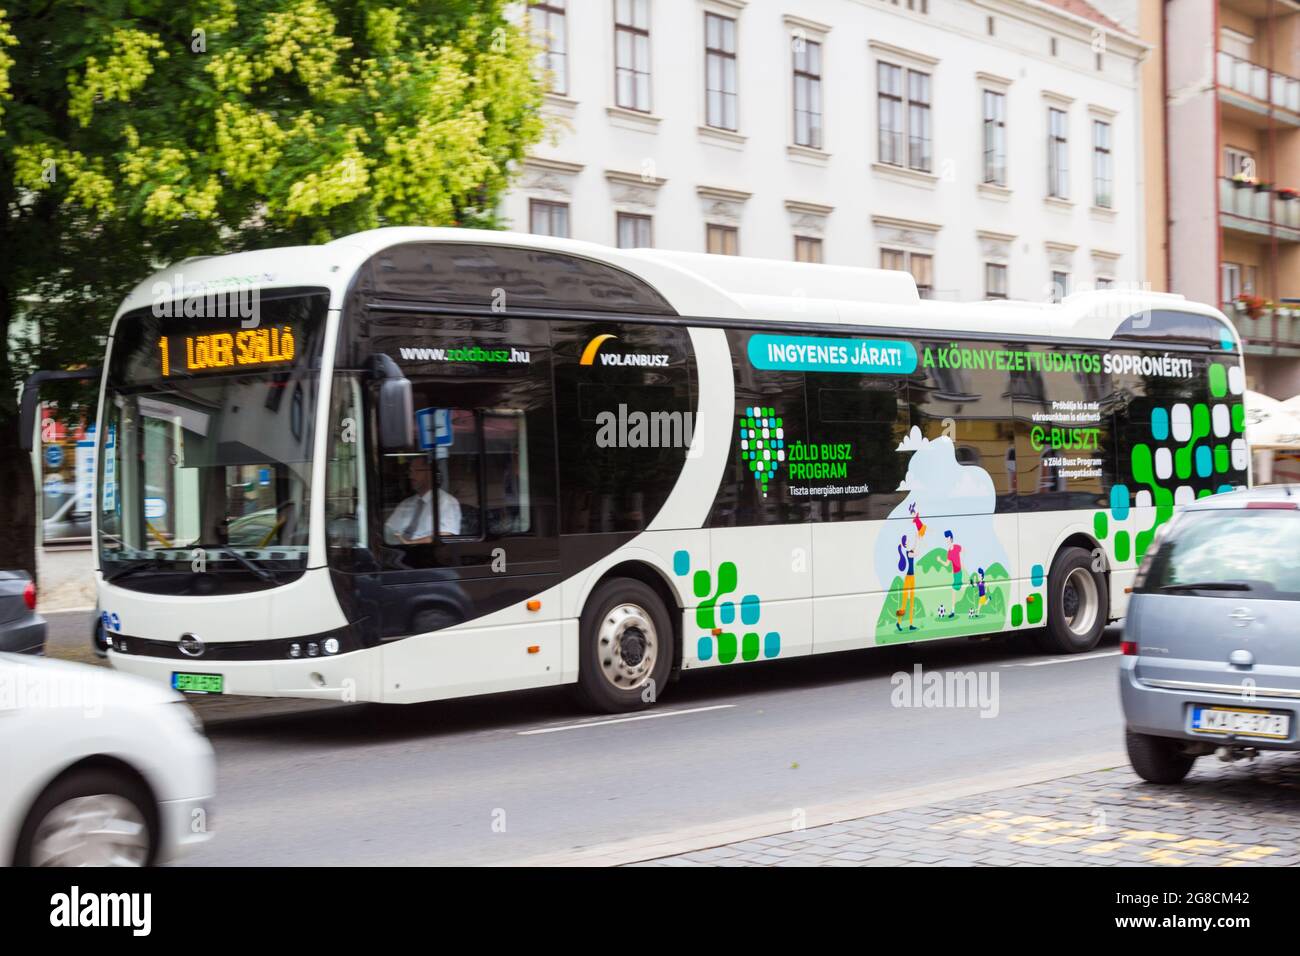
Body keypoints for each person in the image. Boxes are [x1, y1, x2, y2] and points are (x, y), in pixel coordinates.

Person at [384, 456, 462, 544]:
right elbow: (388, 529)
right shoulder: (406, 503)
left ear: (430, 473)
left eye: (416, 471)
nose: (410, 476)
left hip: (427, 551)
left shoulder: (446, 502)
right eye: (410, 471)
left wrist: (410, 544)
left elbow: (445, 536)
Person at [895, 534, 918, 632]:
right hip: (908, 578)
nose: (909, 542)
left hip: (913, 578)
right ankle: (898, 622)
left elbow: (915, 546)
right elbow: (916, 553)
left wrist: (917, 538)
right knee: (904, 603)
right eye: (908, 541)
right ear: (905, 544)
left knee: (912, 602)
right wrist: (918, 543)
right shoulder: (908, 553)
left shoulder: (910, 551)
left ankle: (911, 624)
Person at [939, 530, 962, 618]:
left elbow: (963, 551)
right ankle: (953, 611)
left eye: (947, 538)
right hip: (955, 574)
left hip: (958, 572)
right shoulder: (949, 552)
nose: (947, 540)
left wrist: (962, 562)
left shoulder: (957, 547)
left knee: (954, 590)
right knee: (957, 589)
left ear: (951, 538)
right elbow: (947, 564)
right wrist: (940, 560)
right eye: (946, 538)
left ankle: (953, 611)